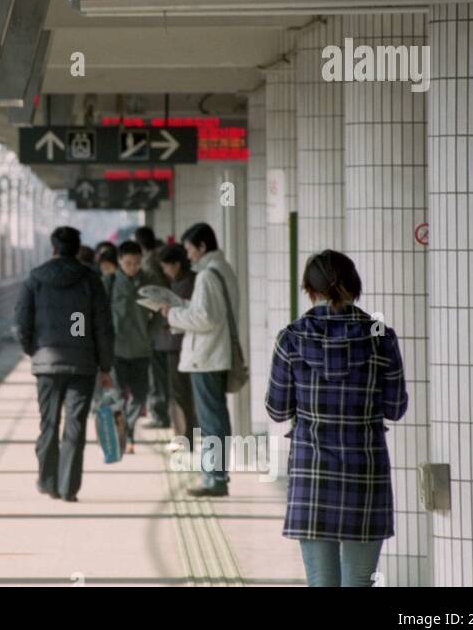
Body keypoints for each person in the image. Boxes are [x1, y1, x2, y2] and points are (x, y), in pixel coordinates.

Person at [265, 251, 408, 588]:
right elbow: (395, 408)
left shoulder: (292, 339)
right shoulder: (381, 337)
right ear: (354, 286)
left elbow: (277, 409)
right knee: (359, 580)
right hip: (365, 472)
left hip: (312, 473)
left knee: (320, 581)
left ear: (309, 290)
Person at [15, 226, 115, 502]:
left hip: (47, 363)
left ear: (54, 248)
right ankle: (68, 487)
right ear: (77, 248)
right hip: (82, 364)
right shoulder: (91, 280)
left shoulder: (34, 279)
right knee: (75, 424)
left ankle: (47, 481)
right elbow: (103, 327)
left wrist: (34, 351)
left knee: (48, 424)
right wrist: (105, 366)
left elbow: (22, 324)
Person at [157, 222, 239, 497]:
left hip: (206, 356)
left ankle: (214, 478)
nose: (188, 255)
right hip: (216, 352)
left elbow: (204, 318)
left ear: (202, 247)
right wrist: (182, 314)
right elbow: (210, 314)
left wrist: (172, 315)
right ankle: (217, 474)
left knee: (211, 419)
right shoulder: (223, 270)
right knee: (216, 416)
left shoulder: (206, 276)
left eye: (190, 249)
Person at [110, 241, 158, 453]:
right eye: (128, 263)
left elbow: (159, 311)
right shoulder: (109, 282)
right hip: (116, 349)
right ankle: (125, 436)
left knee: (140, 395)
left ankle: (127, 428)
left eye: (137, 263)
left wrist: (151, 333)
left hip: (141, 348)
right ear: (119, 261)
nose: (132, 267)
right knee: (118, 396)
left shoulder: (149, 281)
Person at [156, 243, 198, 448]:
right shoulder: (178, 281)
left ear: (177, 264)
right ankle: (185, 433)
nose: (165, 271)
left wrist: (170, 313)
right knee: (179, 391)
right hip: (174, 343)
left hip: (181, 343)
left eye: (167, 266)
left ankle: (187, 435)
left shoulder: (191, 282)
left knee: (182, 391)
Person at [133, 227, 172, 428]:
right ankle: (162, 413)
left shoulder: (149, 262)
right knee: (162, 373)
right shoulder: (159, 256)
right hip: (167, 324)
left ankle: (160, 415)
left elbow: (155, 294)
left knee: (157, 374)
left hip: (159, 326)